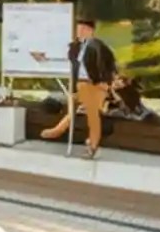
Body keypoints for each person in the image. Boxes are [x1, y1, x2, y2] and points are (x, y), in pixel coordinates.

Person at [35, 18, 116, 159]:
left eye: (83, 29)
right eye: (78, 29)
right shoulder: (75, 47)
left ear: (91, 31)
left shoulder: (98, 47)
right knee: (73, 107)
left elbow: (109, 66)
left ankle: (92, 146)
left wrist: (106, 82)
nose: (80, 32)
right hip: (81, 84)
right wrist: (46, 58)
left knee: (92, 114)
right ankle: (58, 130)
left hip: (96, 84)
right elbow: (66, 60)